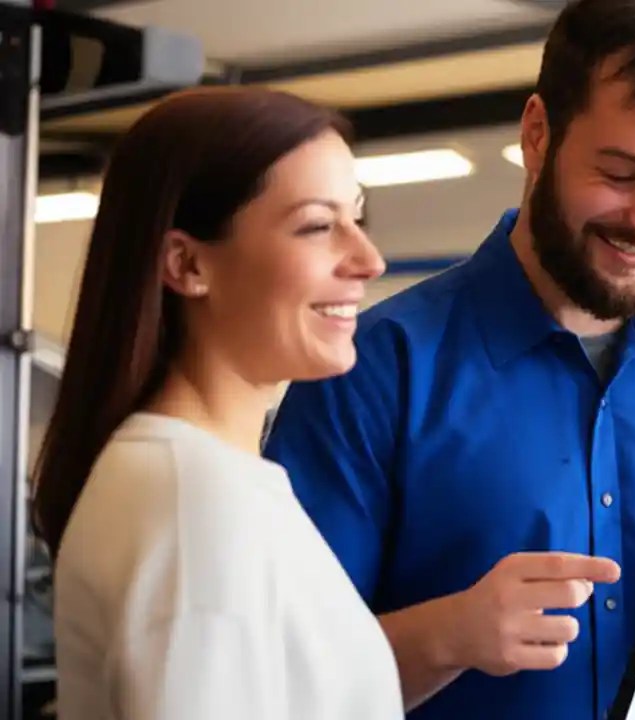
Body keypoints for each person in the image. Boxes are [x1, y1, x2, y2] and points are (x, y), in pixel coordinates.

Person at [263, 1, 635, 718]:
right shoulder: (373, 374)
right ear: (538, 135)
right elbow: (279, 684)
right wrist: (447, 636)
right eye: (620, 173)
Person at [32, 87, 403, 720]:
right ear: (186, 263)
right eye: (318, 225)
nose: (368, 259)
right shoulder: (196, 503)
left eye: (357, 218)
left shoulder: (205, 480)